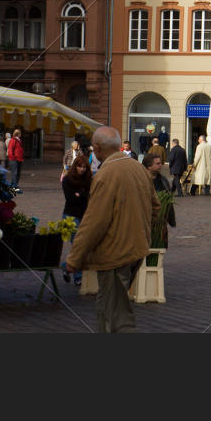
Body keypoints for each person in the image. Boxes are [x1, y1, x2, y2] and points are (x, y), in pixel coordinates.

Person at [66, 126, 159, 333]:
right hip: (136, 249)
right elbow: (155, 207)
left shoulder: (106, 174)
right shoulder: (138, 169)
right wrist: (142, 233)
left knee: (113, 313)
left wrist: (74, 258)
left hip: (115, 252)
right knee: (115, 305)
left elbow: (94, 221)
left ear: (97, 149)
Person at [61, 146, 93, 283]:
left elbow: (88, 196)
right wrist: (82, 195)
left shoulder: (88, 181)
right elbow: (71, 199)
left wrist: (81, 194)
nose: (82, 170)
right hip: (70, 216)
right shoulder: (67, 180)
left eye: (84, 168)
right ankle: (78, 276)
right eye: (80, 167)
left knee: (81, 246)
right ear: (75, 167)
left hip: (84, 215)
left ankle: (66, 267)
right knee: (77, 246)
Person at [145, 153, 177, 248]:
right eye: (157, 164)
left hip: (160, 221)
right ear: (149, 166)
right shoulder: (141, 179)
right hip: (146, 220)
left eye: (160, 163)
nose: (160, 165)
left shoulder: (163, 180)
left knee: (159, 246)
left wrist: (171, 219)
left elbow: (169, 200)